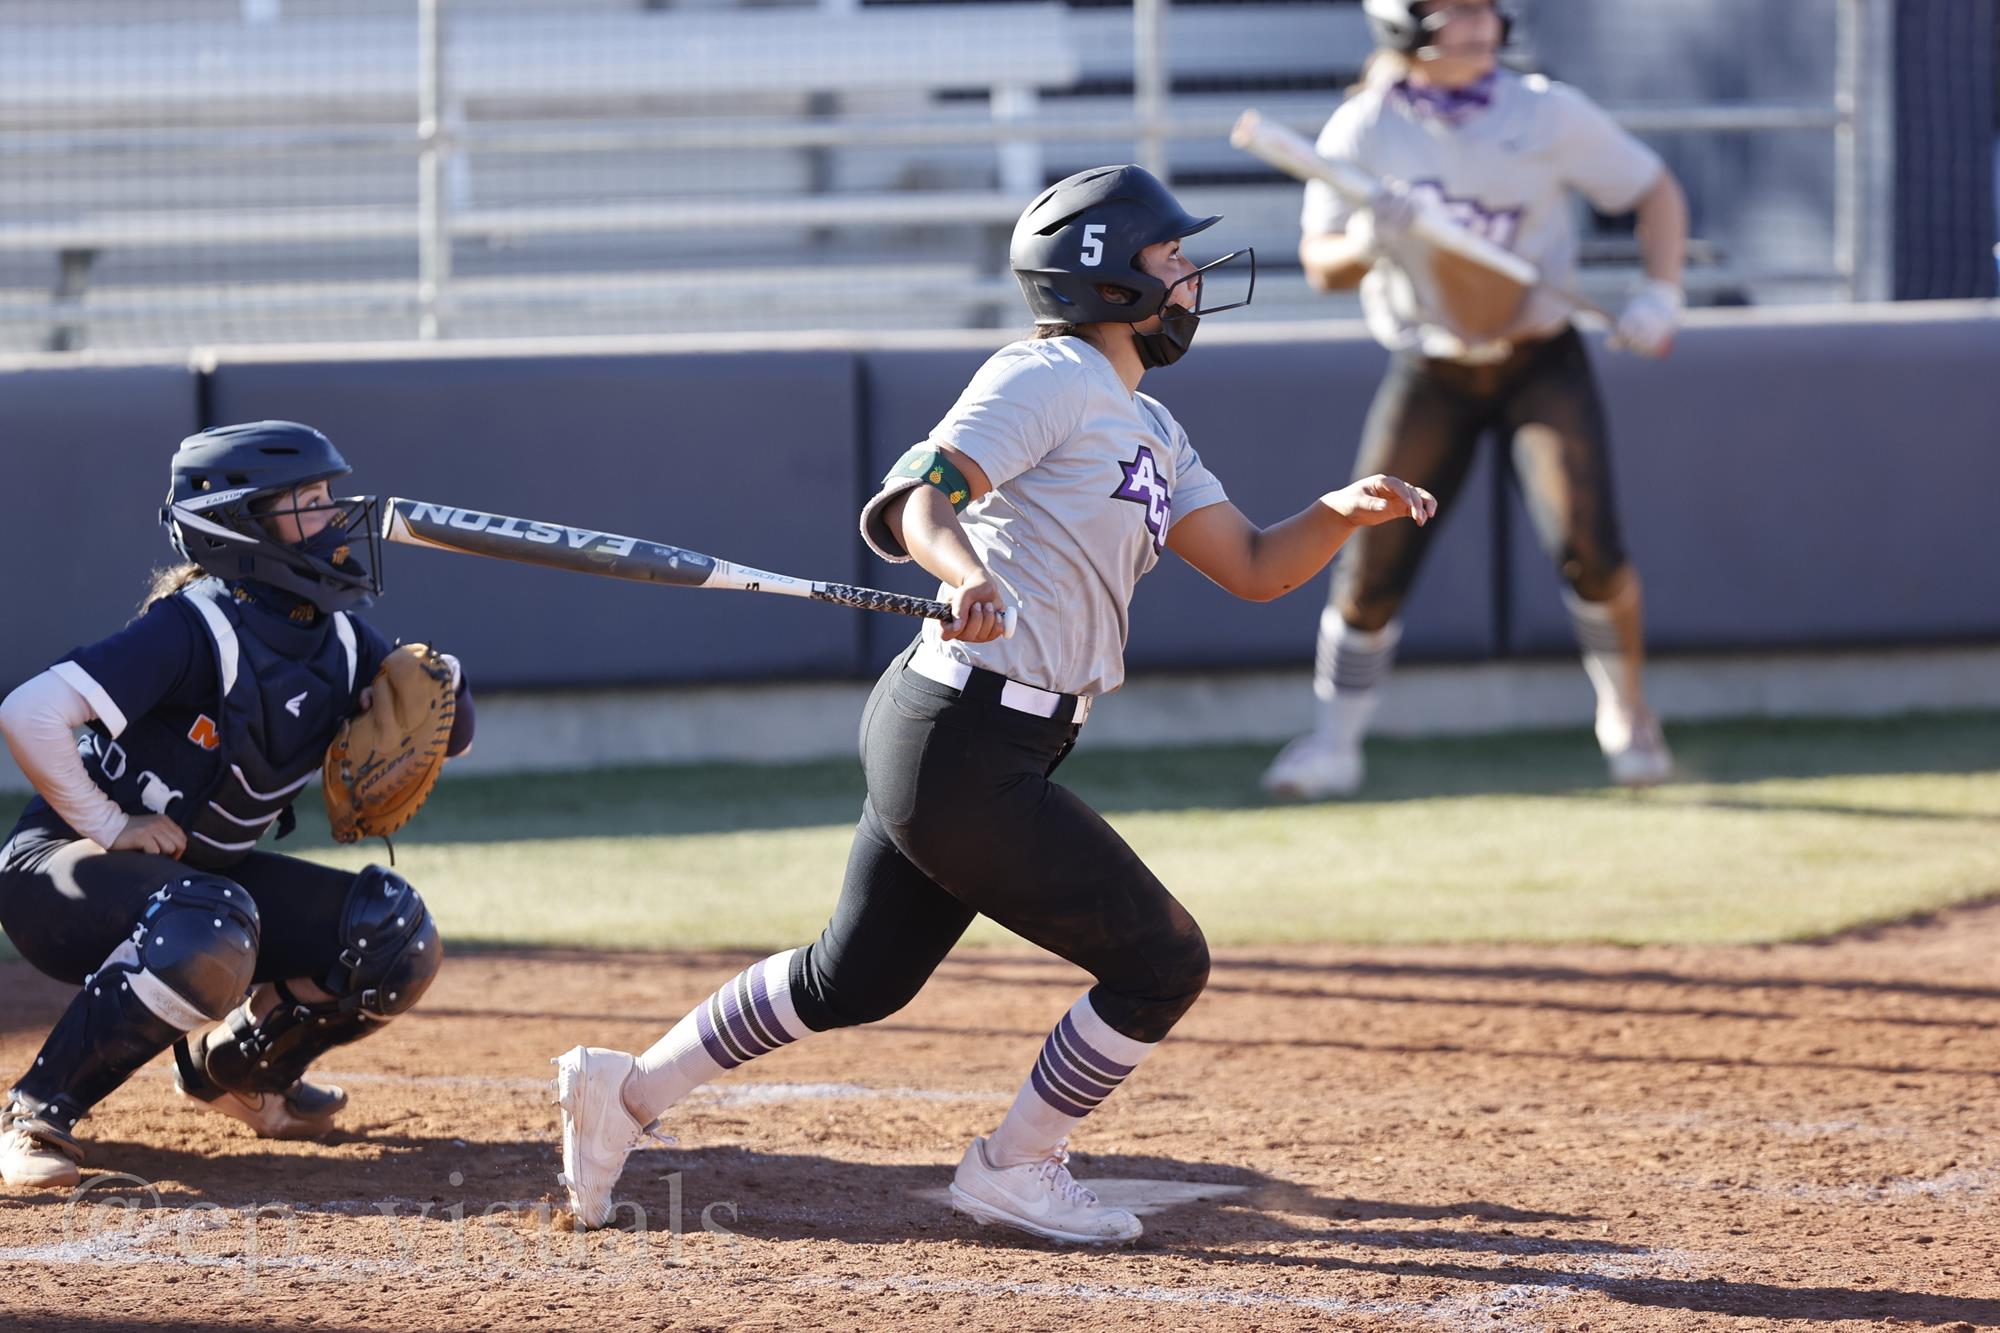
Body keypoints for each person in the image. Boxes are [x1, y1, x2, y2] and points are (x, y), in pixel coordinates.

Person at [551, 165, 1436, 1245]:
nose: (1190, 277)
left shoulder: (1149, 422)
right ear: (1106, 278)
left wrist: (1339, 511)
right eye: (1169, 259)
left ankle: (623, 1093)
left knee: (854, 977)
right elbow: (922, 498)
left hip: (994, 737)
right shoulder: (1046, 374)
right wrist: (961, 571)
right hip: (959, 733)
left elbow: (1252, 565)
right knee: (1161, 963)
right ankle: (1014, 1164)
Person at [0, 421, 473, 1188]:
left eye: (329, 495)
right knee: (209, 919)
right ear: (241, 523)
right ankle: (35, 1114)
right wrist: (108, 823)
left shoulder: (340, 639)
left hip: (199, 884)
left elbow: (451, 734)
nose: (333, 516)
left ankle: (240, 1073)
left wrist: (447, 684)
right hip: (57, 876)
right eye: (308, 500)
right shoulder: (191, 627)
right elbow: (28, 713)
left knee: (394, 933)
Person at [1261, 0, 1690, 799]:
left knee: (1587, 545)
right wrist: (1369, 240)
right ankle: (1334, 743)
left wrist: (1660, 293)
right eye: (1456, 10)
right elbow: (1320, 264)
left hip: (1540, 356)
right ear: (1405, 20)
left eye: (1484, 7)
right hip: (1433, 365)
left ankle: (1627, 713)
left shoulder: (1544, 109)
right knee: (1371, 557)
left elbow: (1653, 189)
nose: (1479, 24)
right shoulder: (1363, 127)